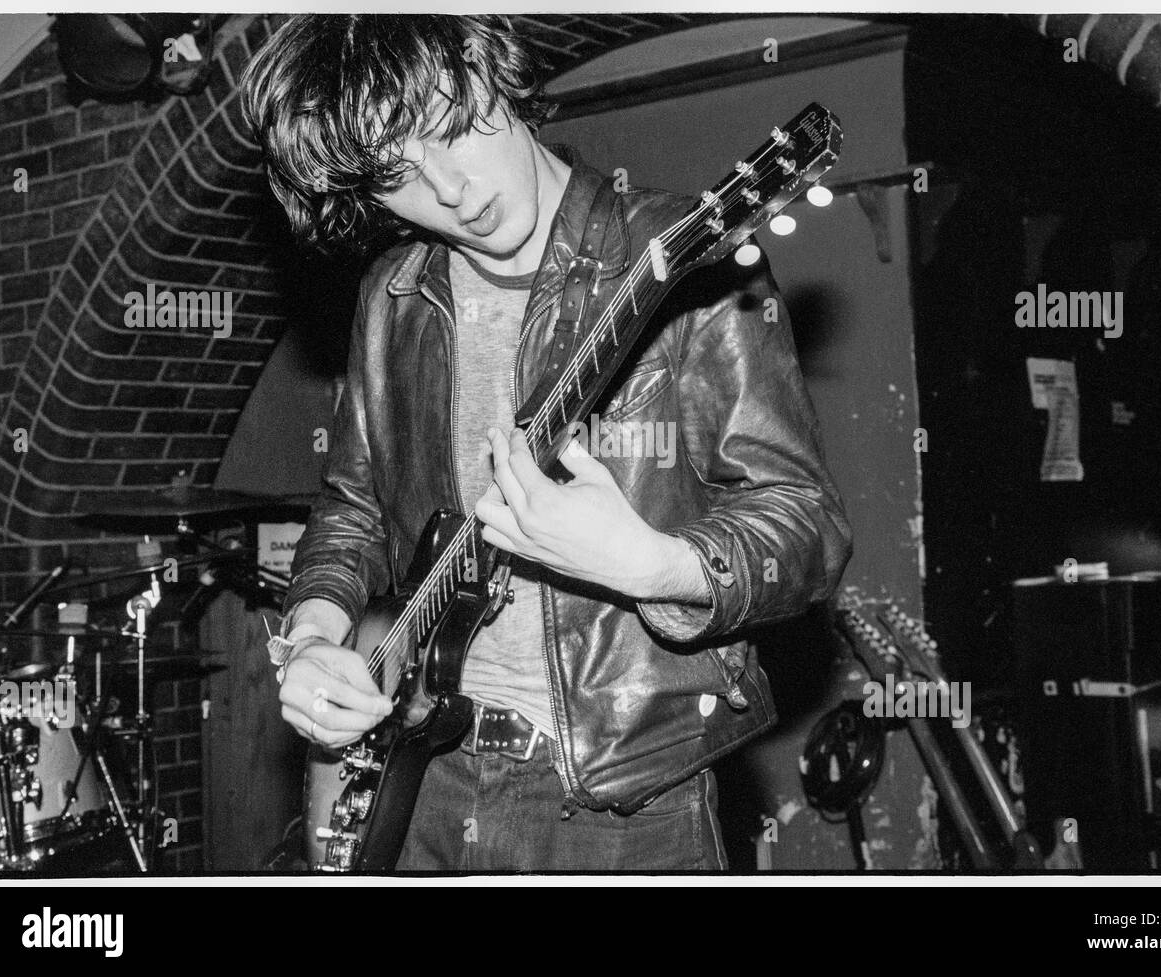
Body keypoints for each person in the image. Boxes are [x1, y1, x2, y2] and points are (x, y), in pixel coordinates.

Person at [241, 13, 851, 871]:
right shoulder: (394, 294)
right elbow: (355, 509)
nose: (450, 188)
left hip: (611, 796)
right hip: (420, 768)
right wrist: (311, 637)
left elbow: (809, 528)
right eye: (396, 174)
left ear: (496, 69)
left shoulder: (684, 258)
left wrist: (654, 563)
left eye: (454, 128)